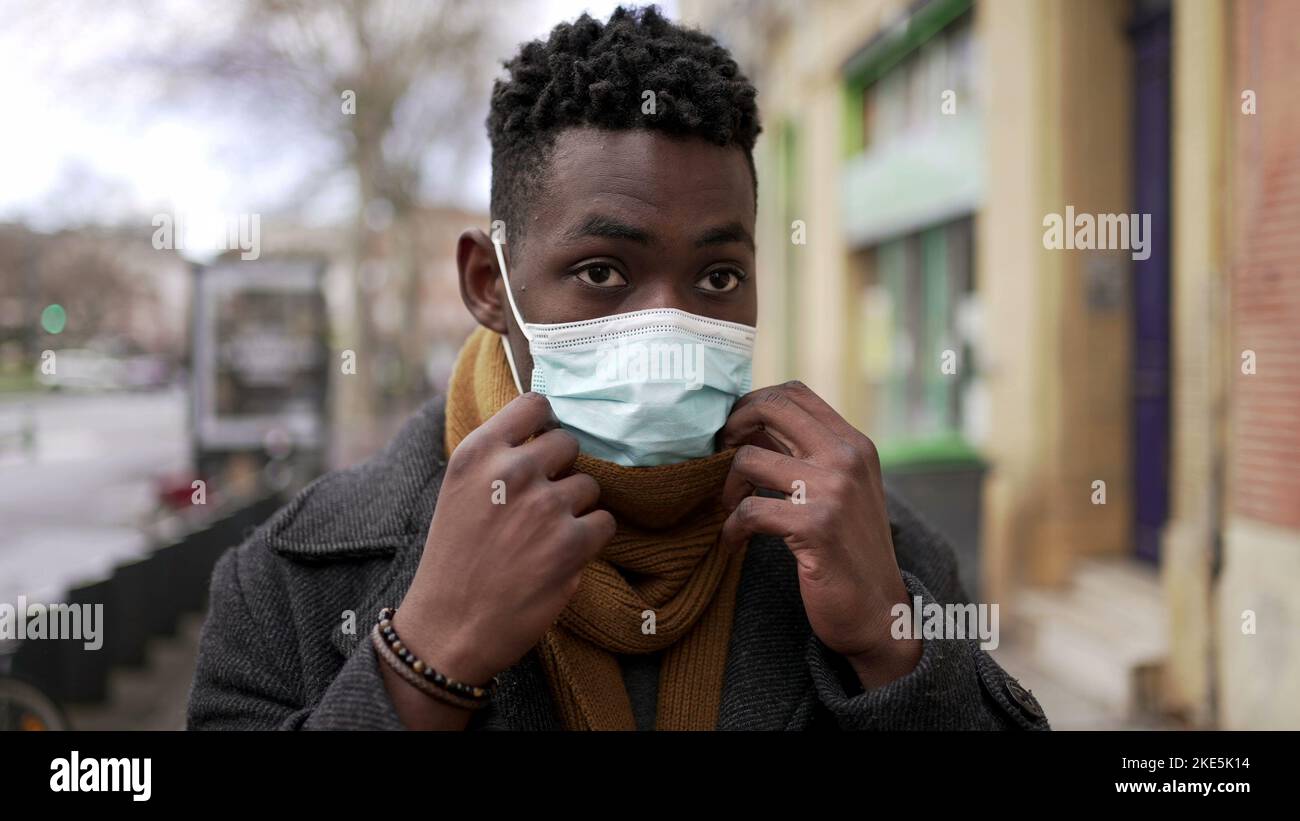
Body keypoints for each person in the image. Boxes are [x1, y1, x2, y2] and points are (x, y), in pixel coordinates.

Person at [187, 4, 1049, 731]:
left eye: (717, 277)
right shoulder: (289, 578)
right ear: (489, 283)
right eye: (603, 271)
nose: (668, 322)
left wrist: (892, 648)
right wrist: (421, 663)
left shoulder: (876, 548)